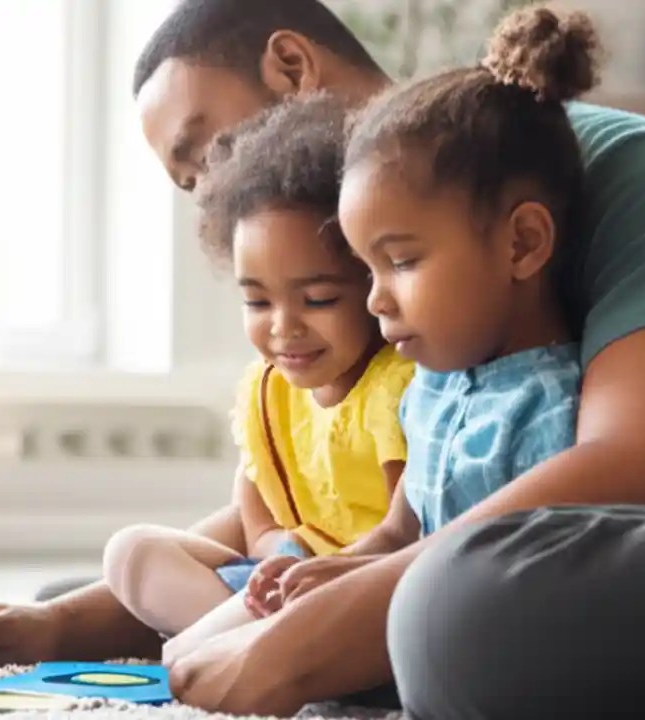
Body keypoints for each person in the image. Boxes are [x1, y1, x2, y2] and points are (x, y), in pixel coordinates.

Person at [0, 2, 645, 716]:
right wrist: (63, 626)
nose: (217, 195)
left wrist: (348, 607)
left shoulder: (606, 166)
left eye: (205, 148)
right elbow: (300, 527)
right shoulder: (388, 292)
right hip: (500, 557)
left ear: (291, 67)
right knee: (153, 584)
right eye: (191, 183)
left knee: (447, 605)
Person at [247, 10, 590, 619]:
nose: (375, 299)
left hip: (474, 627)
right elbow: (396, 535)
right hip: (410, 608)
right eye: (367, 270)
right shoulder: (430, 390)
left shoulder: (551, 415)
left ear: (522, 244)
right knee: (199, 653)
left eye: (400, 262)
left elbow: (524, 591)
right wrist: (335, 569)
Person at [103, 94, 413, 665]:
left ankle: (271, 650)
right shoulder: (266, 390)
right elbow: (256, 517)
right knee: (131, 552)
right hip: (284, 583)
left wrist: (310, 576)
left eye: (318, 299)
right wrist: (278, 559)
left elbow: (406, 535)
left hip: (357, 590)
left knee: (183, 661)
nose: (284, 328)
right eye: (256, 301)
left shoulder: (393, 388)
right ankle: (261, 642)